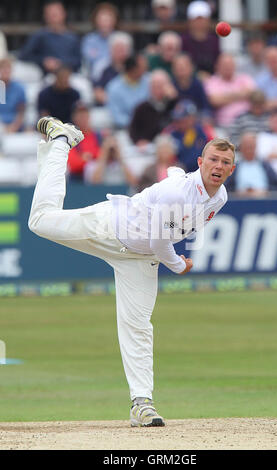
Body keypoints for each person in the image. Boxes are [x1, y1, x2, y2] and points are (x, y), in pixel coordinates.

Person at [28, 116, 236, 427]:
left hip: (139, 260)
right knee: (40, 221)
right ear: (201, 161)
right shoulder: (178, 194)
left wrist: (175, 177)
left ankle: (142, 404)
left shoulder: (219, 197)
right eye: (213, 159)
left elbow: (162, 231)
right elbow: (161, 242)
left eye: (225, 162)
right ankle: (61, 141)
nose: (218, 166)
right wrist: (179, 266)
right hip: (110, 227)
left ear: (232, 169)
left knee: (138, 327)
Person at [19, 0, 81, 74]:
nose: (53, 17)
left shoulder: (72, 38)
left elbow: (78, 61)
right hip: (46, 77)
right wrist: (43, 61)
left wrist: (61, 63)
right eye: (50, 14)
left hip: (69, 76)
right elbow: (24, 55)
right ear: (45, 16)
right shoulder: (39, 36)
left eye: (55, 14)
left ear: (63, 14)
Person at [204, 53, 256, 128]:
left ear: (235, 65)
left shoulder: (244, 78)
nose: (228, 67)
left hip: (247, 123)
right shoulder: (212, 81)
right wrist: (241, 94)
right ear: (217, 66)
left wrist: (225, 97)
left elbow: (253, 95)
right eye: (225, 65)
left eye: (230, 64)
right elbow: (215, 100)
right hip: (224, 124)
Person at [129, 69, 178, 145]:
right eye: (154, 86)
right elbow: (133, 130)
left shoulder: (174, 104)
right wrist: (138, 141)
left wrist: (174, 98)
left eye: (160, 86)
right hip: (148, 147)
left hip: (172, 144)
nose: (157, 90)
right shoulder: (142, 108)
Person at [106, 54, 150, 129]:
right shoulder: (114, 88)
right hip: (125, 130)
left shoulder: (149, 81)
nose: (146, 69)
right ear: (134, 69)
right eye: (143, 67)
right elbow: (116, 116)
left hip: (150, 127)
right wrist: (136, 124)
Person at [165, 99, 208, 172]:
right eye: (177, 119)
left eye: (182, 119)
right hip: (174, 172)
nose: (178, 122)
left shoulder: (201, 132)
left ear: (191, 118)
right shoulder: (171, 132)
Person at [93, 32, 133, 106]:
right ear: (110, 50)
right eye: (118, 49)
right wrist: (114, 103)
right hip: (108, 106)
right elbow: (97, 92)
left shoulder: (134, 67)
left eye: (123, 49)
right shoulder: (101, 66)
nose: (121, 52)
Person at [181, 1, 220, 78]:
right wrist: (196, 75)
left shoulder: (215, 40)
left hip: (213, 82)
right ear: (190, 21)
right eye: (196, 19)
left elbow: (218, 64)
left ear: (208, 20)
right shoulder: (182, 40)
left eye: (202, 19)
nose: (199, 22)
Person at [81, 2, 119, 81]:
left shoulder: (120, 39)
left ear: (114, 20)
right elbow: (87, 62)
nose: (104, 23)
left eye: (107, 19)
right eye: (101, 19)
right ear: (95, 21)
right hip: (94, 78)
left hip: (116, 77)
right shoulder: (89, 40)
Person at [67, 102, 102, 181]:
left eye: (84, 114)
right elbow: (73, 164)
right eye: (79, 115)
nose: (82, 117)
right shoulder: (70, 138)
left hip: (100, 176)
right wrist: (86, 159)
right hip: (79, 180)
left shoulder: (99, 136)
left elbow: (106, 156)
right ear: (74, 118)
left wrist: (88, 157)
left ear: (89, 116)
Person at [172, 53, 212, 121]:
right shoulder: (170, 86)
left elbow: (205, 108)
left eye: (184, 66)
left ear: (191, 68)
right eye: (178, 66)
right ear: (173, 69)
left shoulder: (197, 85)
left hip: (195, 121)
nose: (181, 69)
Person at [0, 57, 26, 133]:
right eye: (2, 68)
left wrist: (13, 127)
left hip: (15, 126)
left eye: (7, 68)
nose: (5, 71)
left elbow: (21, 112)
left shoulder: (19, 88)